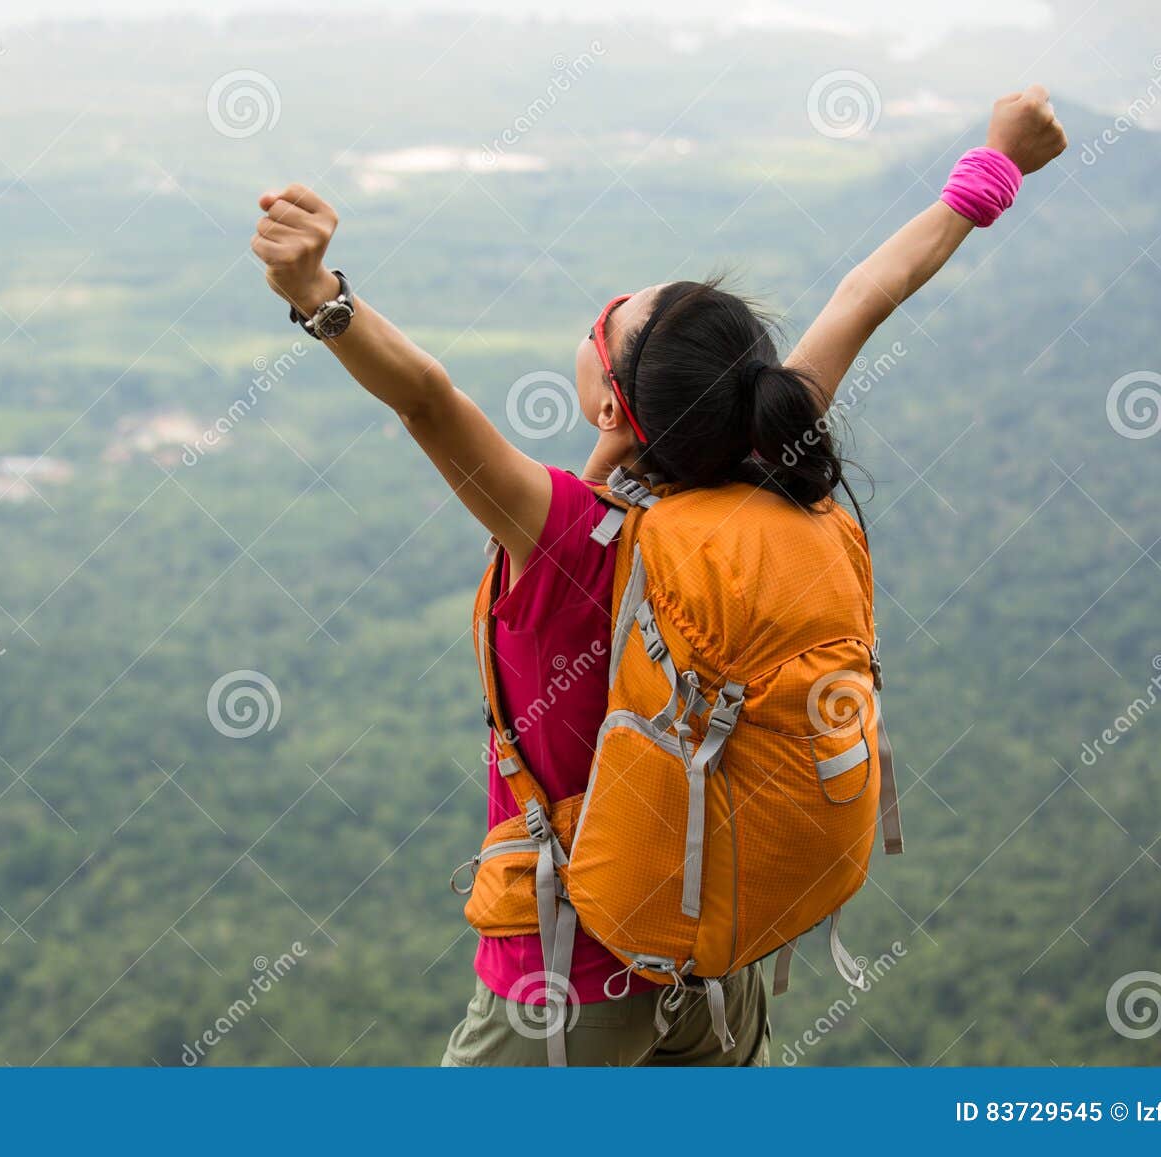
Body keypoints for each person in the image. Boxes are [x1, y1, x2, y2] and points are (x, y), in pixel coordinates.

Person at [249, 86, 1067, 1066]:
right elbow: (865, 295)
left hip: (564, 985)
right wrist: (997, 166)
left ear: (610, 407)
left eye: (611, 322)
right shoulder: (766, 473)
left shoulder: (559, 534)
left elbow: (428, 399)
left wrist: (316, 294)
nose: (606, 312)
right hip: (716, 958)